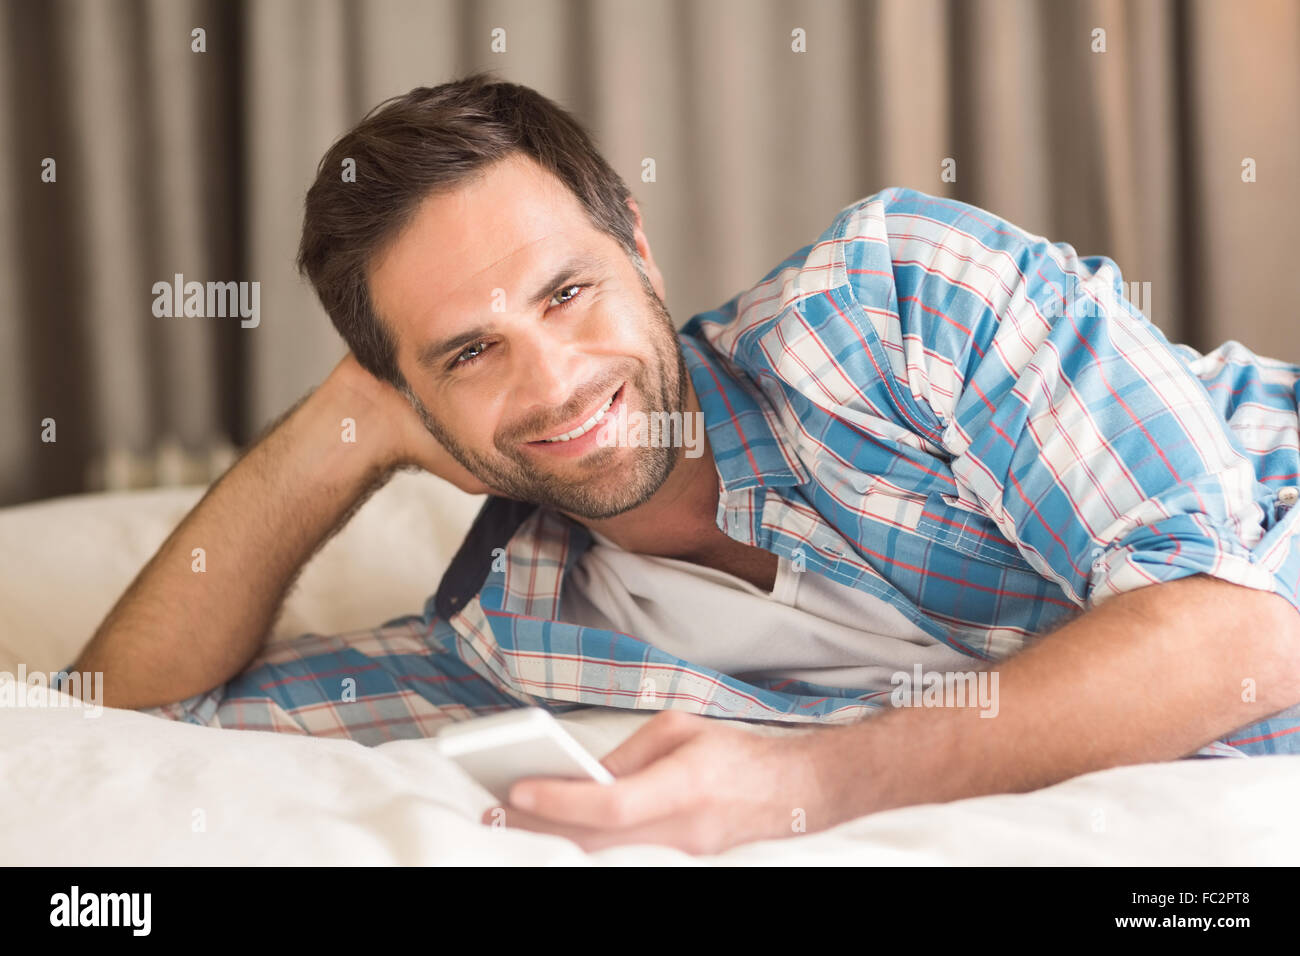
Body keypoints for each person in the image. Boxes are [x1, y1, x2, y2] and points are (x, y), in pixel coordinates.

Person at [70, 73, 1300, 854]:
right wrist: (338, 434)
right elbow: (122, 714)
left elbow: (1239, 632)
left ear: (641, 252)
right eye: (468, 352)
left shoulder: (893, 300)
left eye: (566, 291)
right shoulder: (511, 637)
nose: (551, 381)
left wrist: (803, 783)